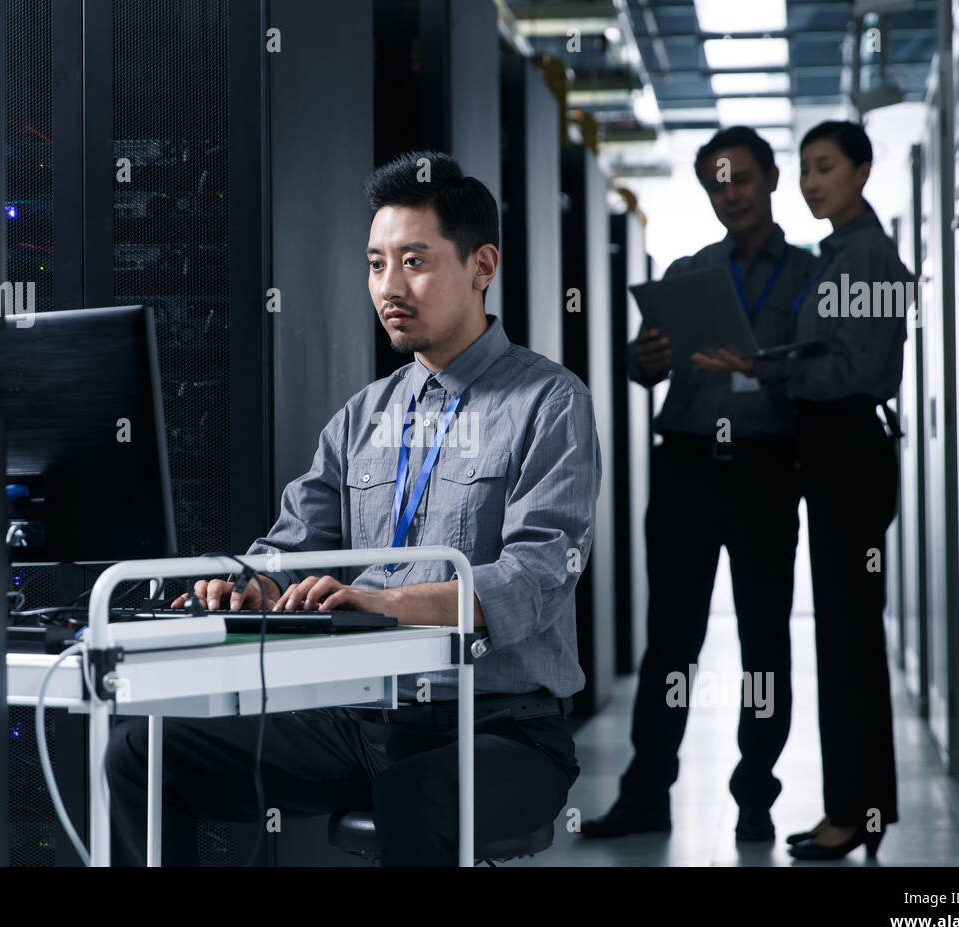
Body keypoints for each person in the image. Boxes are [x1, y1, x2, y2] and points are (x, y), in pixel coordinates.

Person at [104, 150, 602, 866]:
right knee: (143, 751)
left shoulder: (550, 403)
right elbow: (293, 544)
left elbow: (539, 575)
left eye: (414, 262)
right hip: (360, 723)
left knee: (414, 796)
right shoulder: (363, 415)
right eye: (375, 264)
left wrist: (385, 602)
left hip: (500, 729)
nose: (389, 287)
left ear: (481, 267)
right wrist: (250, 584)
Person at [582, 127, 815, 843]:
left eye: (742, 179)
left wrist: (763, 367)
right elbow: (643, 369)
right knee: (670, 640)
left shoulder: (810, 275)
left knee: (764, 642)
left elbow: (817, 374)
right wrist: (643, 356)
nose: (731, 194)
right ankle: (647, 792)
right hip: (685, 466)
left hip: (766, 470)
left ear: (772, 180)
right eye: (717, 183)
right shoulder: (687, 273)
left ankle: (756, 797)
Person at [693, 120, 909, 859]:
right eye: (808, 170)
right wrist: (775, 364)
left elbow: (860, 371)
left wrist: (766, 370)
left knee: (848, 639)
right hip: (831, 451)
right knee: (844, 637)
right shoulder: (840, 252)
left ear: (862, 170)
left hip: (848, 447)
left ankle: (854, 813)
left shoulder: (870, 257)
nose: (814, 183)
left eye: (827, 168)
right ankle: (859, 808)